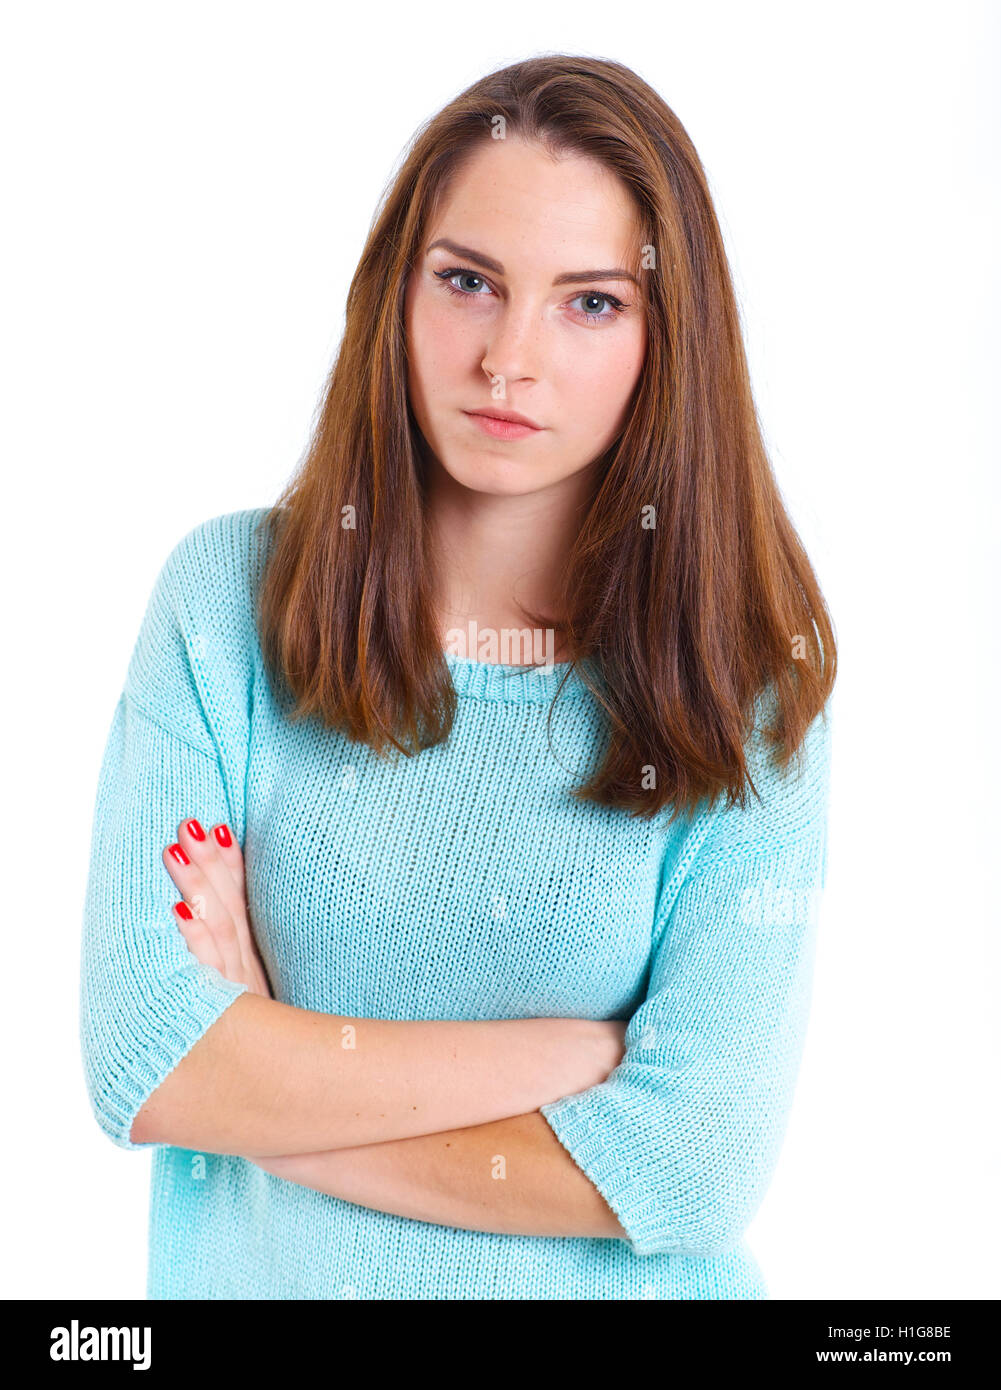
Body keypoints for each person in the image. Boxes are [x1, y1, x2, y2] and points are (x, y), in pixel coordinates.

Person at [79, 53, 837, 1300]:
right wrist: (566, 1058)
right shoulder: (223, 606)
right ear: (398, 290)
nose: (507, 359)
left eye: (588, 302)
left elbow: (695, 1166)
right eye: (469, 282)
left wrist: (270, 1087)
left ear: (667, 336)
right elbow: (148, 1064)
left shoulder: (741, 687)